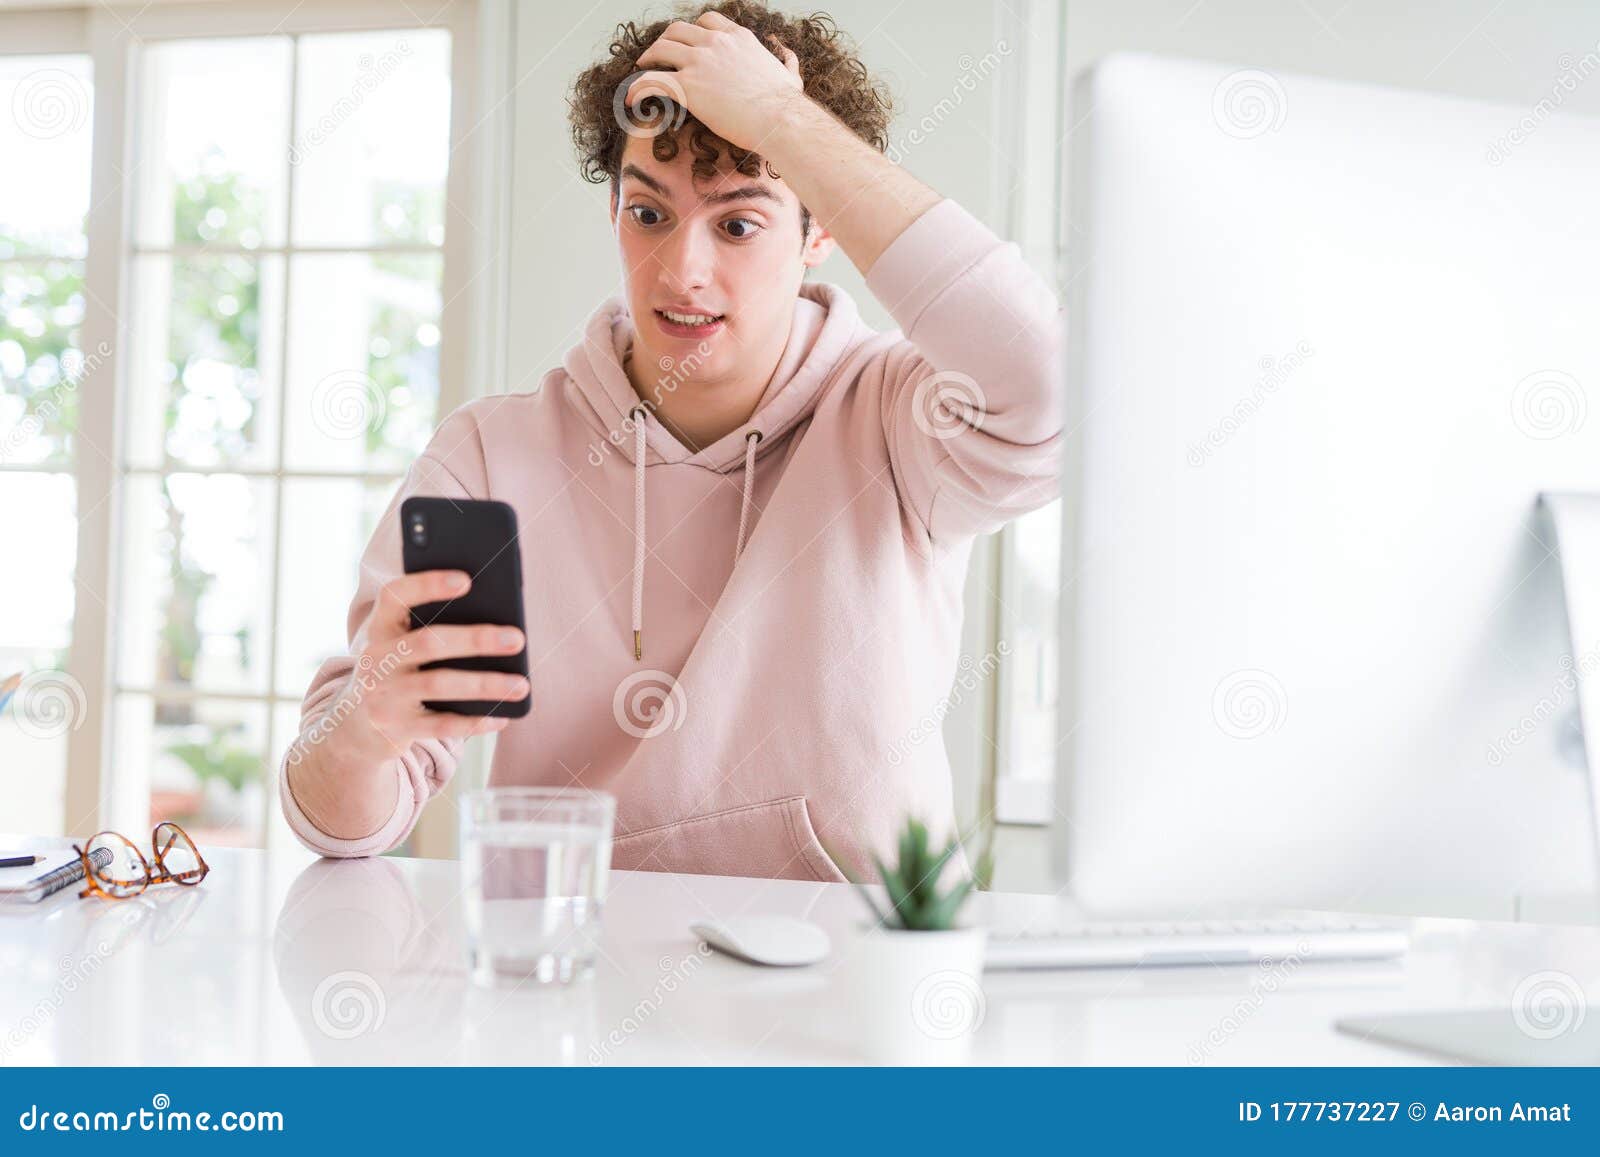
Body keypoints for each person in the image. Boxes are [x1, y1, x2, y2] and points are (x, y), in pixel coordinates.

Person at [279, 0, 1062, 881]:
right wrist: (365, 728)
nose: (683, 269)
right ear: (614, 207)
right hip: (577, 972)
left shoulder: (897, 419)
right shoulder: (495, 456)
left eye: (737, 223)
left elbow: (1049, 388)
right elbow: (339, 827)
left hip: (853, 981)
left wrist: (781, 121)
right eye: (649, 214)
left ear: (821, 229)